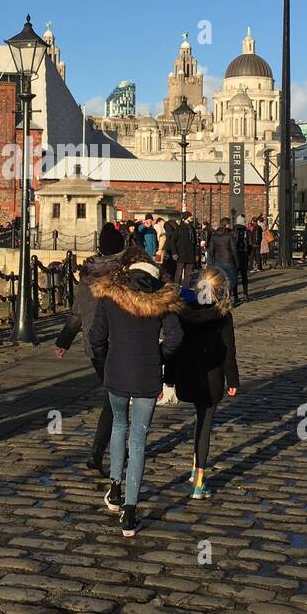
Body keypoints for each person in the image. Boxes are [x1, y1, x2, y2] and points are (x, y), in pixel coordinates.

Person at [87, 260, 184, 537]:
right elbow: (176, 338)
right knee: (139, 438)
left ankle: (115, 489)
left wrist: (108, 362)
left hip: (117, 372)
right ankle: (130, 512)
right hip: (146, 375)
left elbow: (96, 338)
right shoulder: (162, 302)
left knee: (119, 426)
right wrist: (159, 358)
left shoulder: (110, 297)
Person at [54, 222, 128, 476]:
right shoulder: (122, 274)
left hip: (93, 344)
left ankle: (105, 450)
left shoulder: (88, 275)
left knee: (113, 396)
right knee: (115, 399)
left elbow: (77, 312)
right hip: (117, 343)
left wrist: (63, 341)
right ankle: (101, 451)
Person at [167, 268, 239, 500]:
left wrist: (169, 377)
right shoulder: (222, 316)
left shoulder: (184, 313)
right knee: (204, 426)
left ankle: (194, 467)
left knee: (199, 425)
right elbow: (229, 352)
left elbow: (175, 347)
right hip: (211, 377)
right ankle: (198, 482)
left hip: (188, 375)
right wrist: (233, 380)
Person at [206, 217, 239, 298]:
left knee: (219, 280)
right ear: (226, 225)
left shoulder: (214, 236)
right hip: (228, 260)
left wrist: (211, 263)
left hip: (218, 261)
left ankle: (219, 295)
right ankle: (227, 295)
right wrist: (237, 262)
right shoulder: (229, 236)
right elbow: (234, 250)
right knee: (232, 280)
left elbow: (211, 251)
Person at [171, 213, 198, 285]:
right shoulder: (179, 228)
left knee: (188, 274)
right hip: (181, 253)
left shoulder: (192, 228)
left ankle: (186, 288)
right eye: (190, 216)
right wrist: (174, 252)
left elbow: (195, 243)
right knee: (178, 273)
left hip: (190, 253)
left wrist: (196, 254)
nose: (191, 217)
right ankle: (176, 287)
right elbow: (173, 241)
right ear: (186, 218)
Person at [233, 215, 251, 300]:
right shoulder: (246, 231)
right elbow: (249, 243)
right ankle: (245, 294)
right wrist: (248, 253)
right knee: (244, 275)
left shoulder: (233, 231)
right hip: (244, 254)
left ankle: (235, 296)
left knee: (235, 276)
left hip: (235, 255)